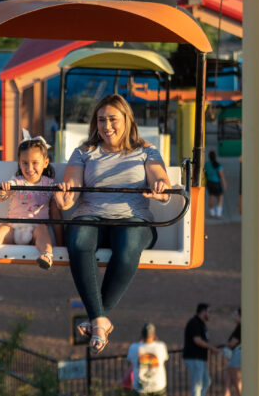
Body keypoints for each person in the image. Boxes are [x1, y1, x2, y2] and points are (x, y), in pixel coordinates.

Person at [55, 94, 172, 354]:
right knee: (78, 240)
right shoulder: (84, 152)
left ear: (127, 120)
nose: (107, 126)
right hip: (91, 217)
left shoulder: (146, 150)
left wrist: (160, 189)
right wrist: (66, 197)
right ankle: (100, 320)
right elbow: (72, 185)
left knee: (128, 246)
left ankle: (97, 318)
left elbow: (160, 179)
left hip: (133, 219)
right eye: (101, 120)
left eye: (112, 119)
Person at [0, 136, 56, 270]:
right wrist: (3, 191)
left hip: (36, 227)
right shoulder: (16, 181)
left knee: (43, 231)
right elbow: (1, 196)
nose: (30, 168)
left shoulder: (49, 184)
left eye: (35, 163)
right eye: (25, 163)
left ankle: (47, 254)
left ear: (45, 162)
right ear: (19, 163)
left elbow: (60, 204)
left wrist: (62, 191)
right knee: (1, 230)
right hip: (14, 227)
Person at [183, 303, 218, 396]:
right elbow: (197, 340)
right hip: (194, 357)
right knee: (197, 384)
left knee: (206, 381)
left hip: (200, 358)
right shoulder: (195, 322)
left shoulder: (201, 324)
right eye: (208, 312)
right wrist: (211, 347)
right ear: (203, 312)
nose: (209, 314)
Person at [126, 322, 169, 396]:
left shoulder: (134, 347)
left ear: (142, 335)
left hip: (140, 387)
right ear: (154, 334)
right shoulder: (161, 346)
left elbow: (130, 362)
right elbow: (165, 358)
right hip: (158, 385)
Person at [221, 308, 241, 396]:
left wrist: (225, 347)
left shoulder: (240, 327)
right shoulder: (239, 327)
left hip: (237, 355)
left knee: (237, 383)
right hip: (235, 356)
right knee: (228, 383)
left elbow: (233, 343)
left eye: (236, 315)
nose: (234, 317)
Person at [204, 150, 226, 218]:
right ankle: (218, 213)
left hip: (209, 182)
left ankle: (212, 213)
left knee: (211, 196)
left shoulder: (206, 164)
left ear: (209, 157)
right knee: (220, 197)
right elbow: (221, 176)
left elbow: (205, 173)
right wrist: (224, 184)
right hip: (216, 183)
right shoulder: (217, 165)